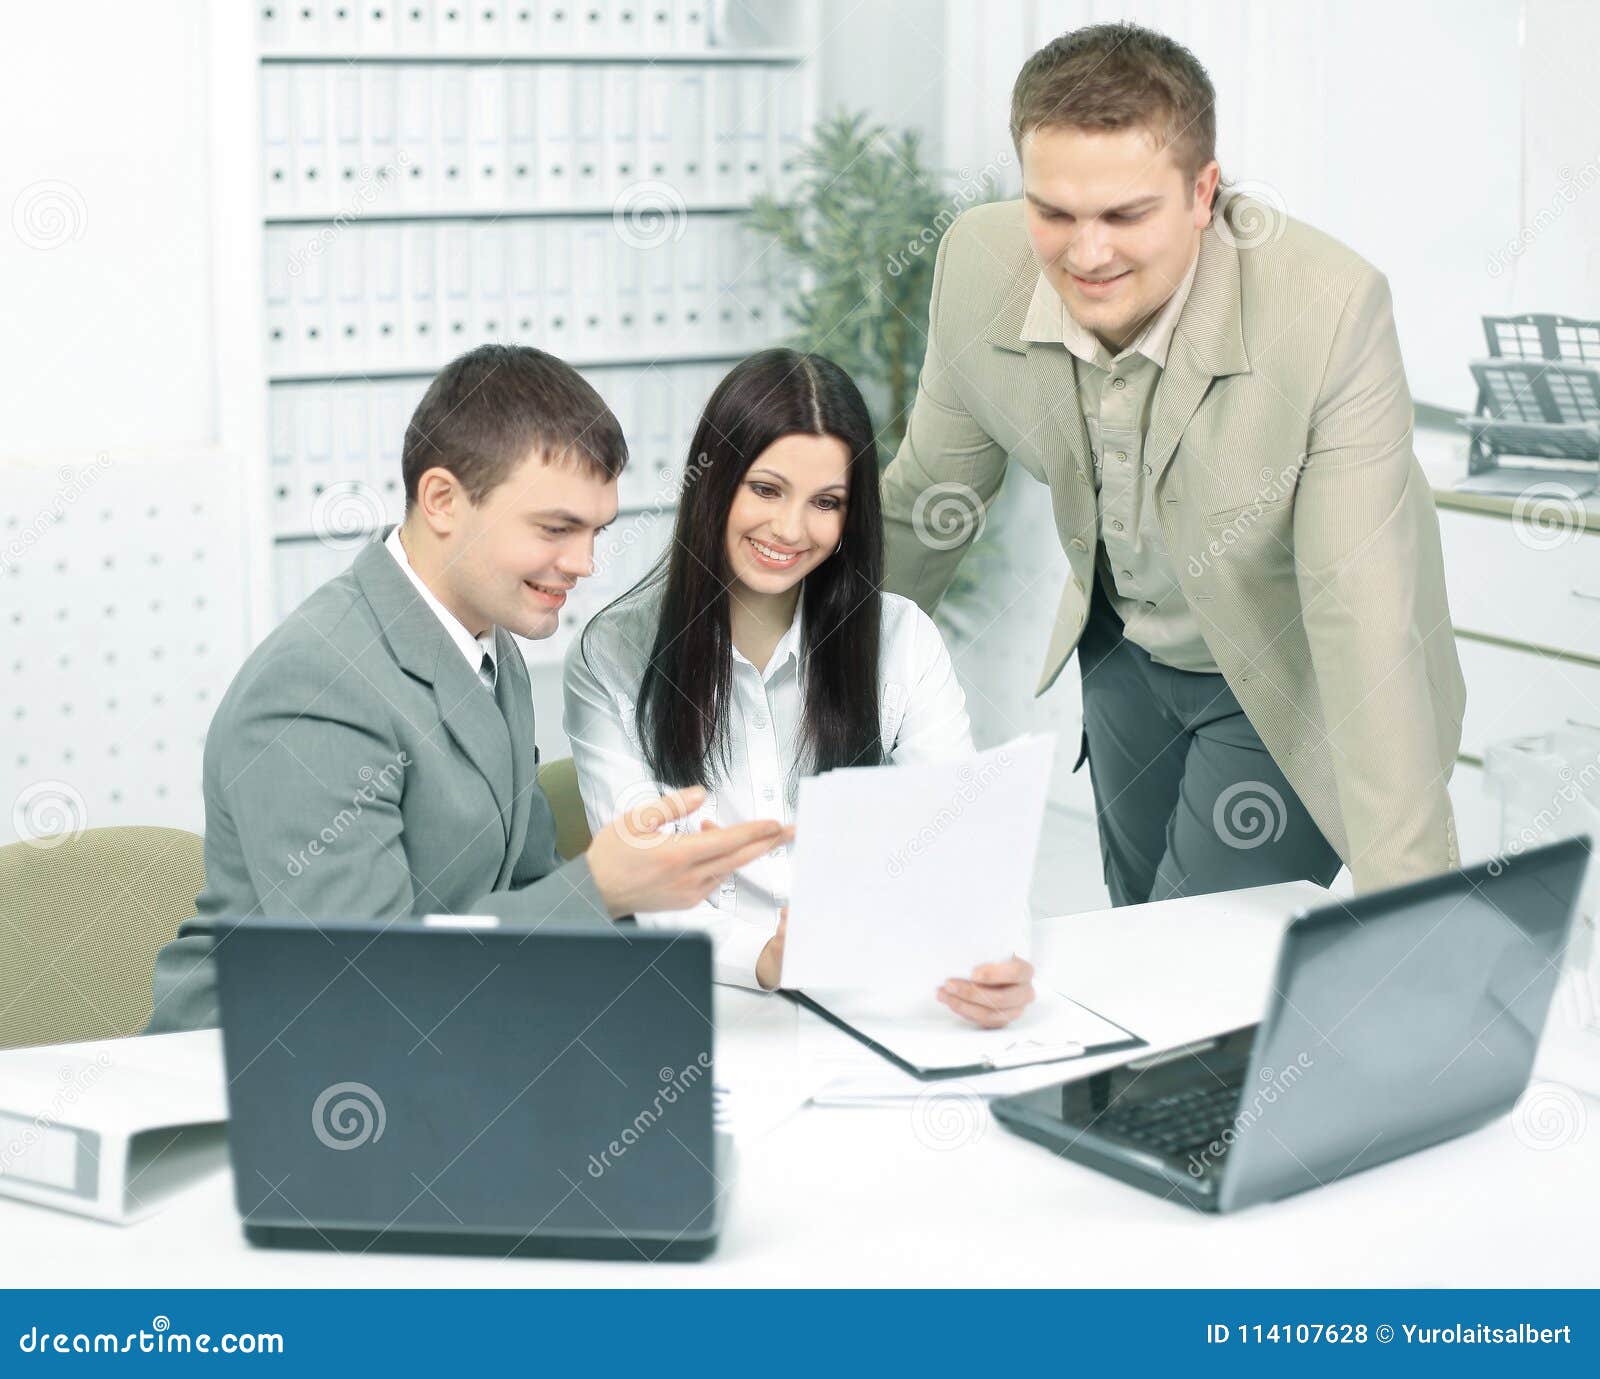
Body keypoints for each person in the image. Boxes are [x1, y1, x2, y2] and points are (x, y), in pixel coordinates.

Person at [880, 22, 1465, 907]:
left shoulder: (1329, 311)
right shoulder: (976, 263)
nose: (1087, 253)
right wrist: (793, 688)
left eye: (1125, 214)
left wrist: (1419, 918)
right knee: (1135, 938)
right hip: (1124, 649)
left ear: (1203, 193)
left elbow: (1361, 617)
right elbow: (926, 501)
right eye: (1055, 212)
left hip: (1287, 664)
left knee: (1202, 961)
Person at [145, 345, 791, 1033]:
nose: (584, 563)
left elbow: (524, 887)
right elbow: (362, 975)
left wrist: (689, 913)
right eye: (555, 528)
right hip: (255, 1075)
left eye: (594, 530)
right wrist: (603, 885)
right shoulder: (314, 684)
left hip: (434, 1046)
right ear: (443, 500)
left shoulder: (486, 646)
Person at [564, 349, 1035, 1026]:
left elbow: (964, 840)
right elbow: (645, 883)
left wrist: (1001, 955)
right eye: (765, 489)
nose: (790, 529)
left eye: (827, 502)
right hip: (704, 1006)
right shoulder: (614, 654)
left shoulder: (901, 641)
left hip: (878, 997)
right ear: (714, 482)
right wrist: (769, 957)